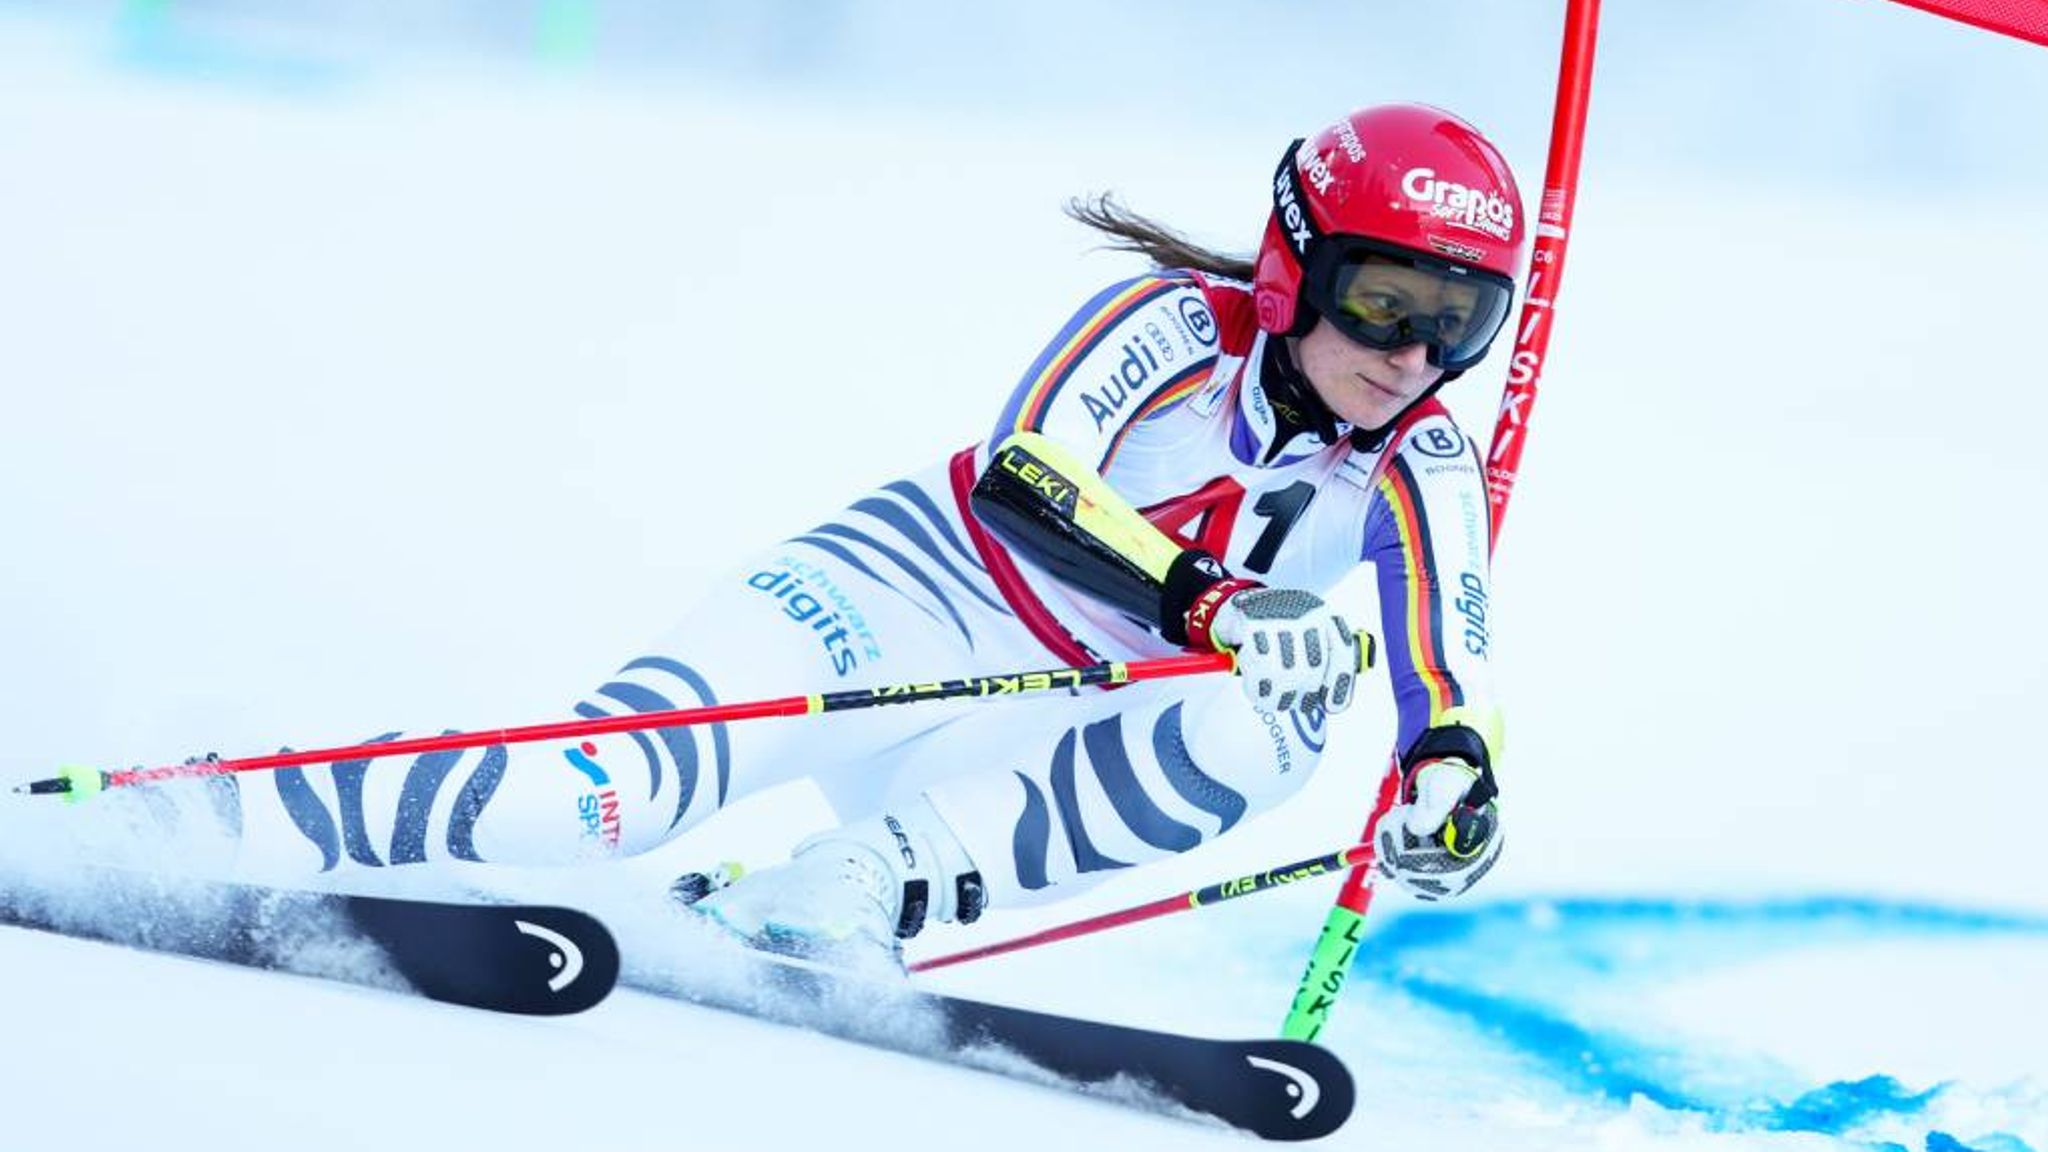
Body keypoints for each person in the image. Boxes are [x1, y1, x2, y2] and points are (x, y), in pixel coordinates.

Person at [59, 103, 1520, 971]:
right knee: (597, 803)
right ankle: (174, 822)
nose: (1411, 356)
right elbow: (1023, 473)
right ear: (1295, 264)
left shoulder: (1423, 456)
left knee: (1286, 720)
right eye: (1382, 300)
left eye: (1459, 322)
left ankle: (837, 895)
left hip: (1034, 729)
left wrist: (1448, 777)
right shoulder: (1176, 329)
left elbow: (1443, 666)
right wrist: (1214, 601)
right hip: (902, 598)